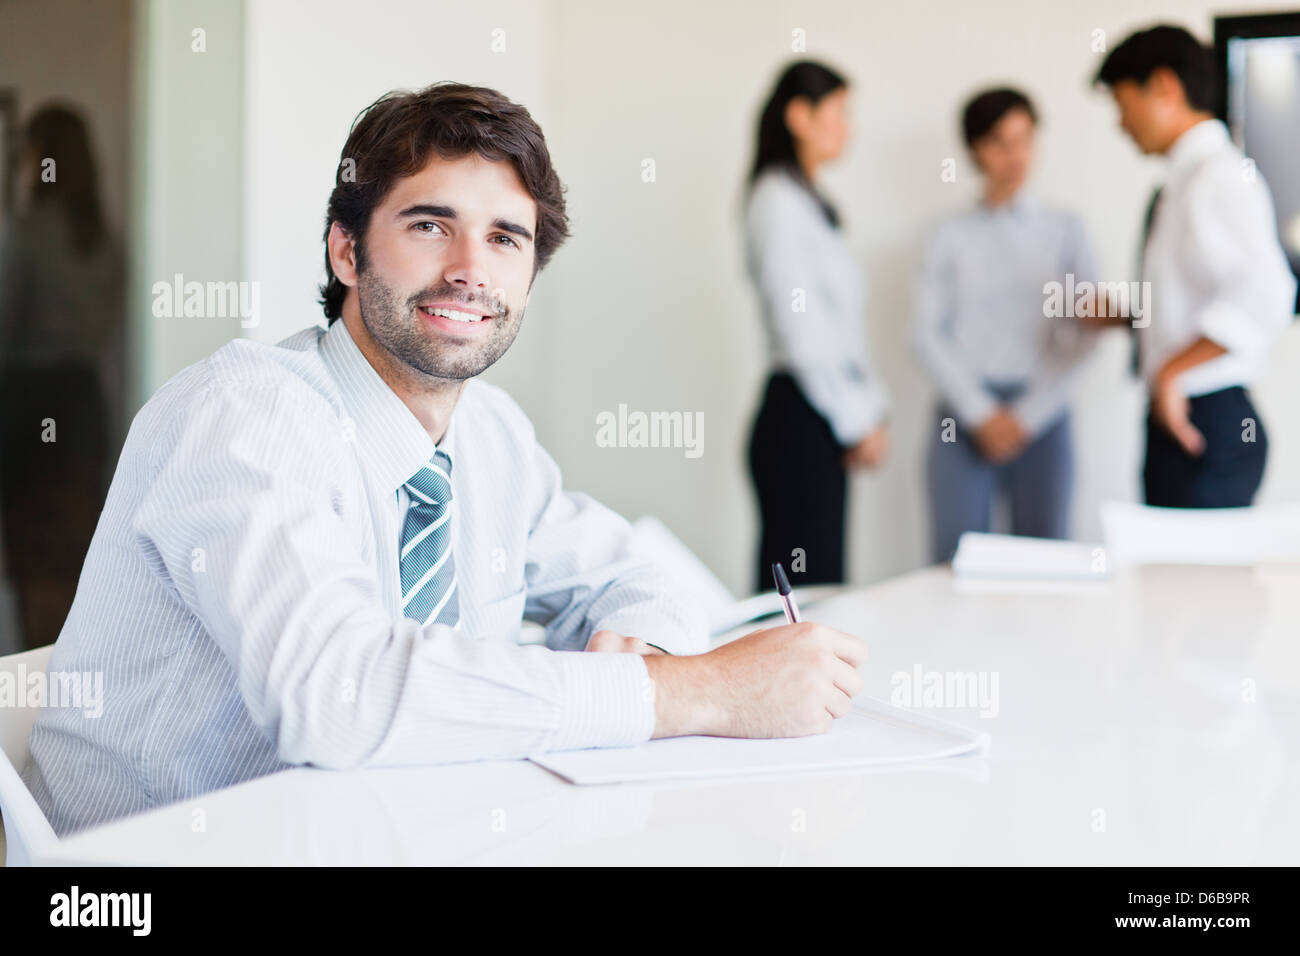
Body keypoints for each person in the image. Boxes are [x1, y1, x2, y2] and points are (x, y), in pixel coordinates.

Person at [22, 83, 867, 836]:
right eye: (431, 226)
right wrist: (692, 692)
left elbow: (642, 571)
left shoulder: (490, 434)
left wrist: (635, 644)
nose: (471, 271)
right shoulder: (247, 414)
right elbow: (339, 697)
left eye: (506, 240)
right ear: (346, 252)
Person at [1093, 25, 1296, 507]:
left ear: (1164, 86)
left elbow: (1267, 292)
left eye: (1123, 106)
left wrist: (1171, 373)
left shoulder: (1219, 178)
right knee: (1168, 579)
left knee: (1192, 582)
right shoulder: (1182, 184)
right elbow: (1201, 297)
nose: (1120, 125)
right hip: (1184, 416)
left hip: (1206, 423)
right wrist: (1130, 316)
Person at [912, 88, 1099, 563]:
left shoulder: (1066, 230)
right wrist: (980, 414)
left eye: (1025, 141)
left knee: (1045, 564)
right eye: (1001, 142)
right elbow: (925, 333)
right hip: (963, 417)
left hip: (1044, 415)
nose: (1016, 156)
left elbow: (1084, 336)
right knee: (954, 564)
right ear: (975, 149)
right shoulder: (946, 236)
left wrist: (1026, 415)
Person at [743, 61, 890, 590]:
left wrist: (869, 410)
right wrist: (858, 421)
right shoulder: (776, 203)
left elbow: (844, 331)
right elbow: (802, 334)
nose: (848, 128)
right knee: (801, 602)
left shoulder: (810, 202)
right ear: (800, 116)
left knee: (822, 590)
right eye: (839, 114)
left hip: (821, 418)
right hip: (799, 419)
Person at [0, 104, 125, 651]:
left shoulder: (25, 234)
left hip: (28, 403)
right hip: (83, 403)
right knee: (77, 555)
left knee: (30, 557)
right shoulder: (106, 240)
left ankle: (29, 695)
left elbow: (6, 330)